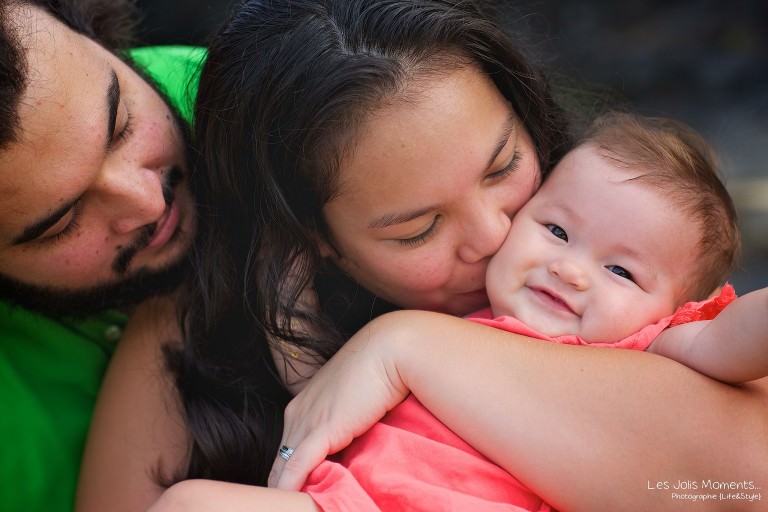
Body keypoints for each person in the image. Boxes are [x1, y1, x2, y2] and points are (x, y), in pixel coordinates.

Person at [77, 1, 768, 511]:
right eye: (416, 229)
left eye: (503, 168)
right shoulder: (222, 320)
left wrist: (406, 344)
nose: (498, 235)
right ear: (312, 240)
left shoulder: (615, 234)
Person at [267, 112, 764, 511]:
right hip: (349, 497)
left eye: (621, 271)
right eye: (557, 232)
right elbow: (320, 398)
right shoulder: (464, 315)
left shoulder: (648, 345)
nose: (570, 270)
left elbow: (733, 342)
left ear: (681, 308)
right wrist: (284, 281)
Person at [0, 1, 203, 510]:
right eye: (61, 222)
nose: (149, 202)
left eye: (121, 125)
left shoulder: (296, 115)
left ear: (96, 32)